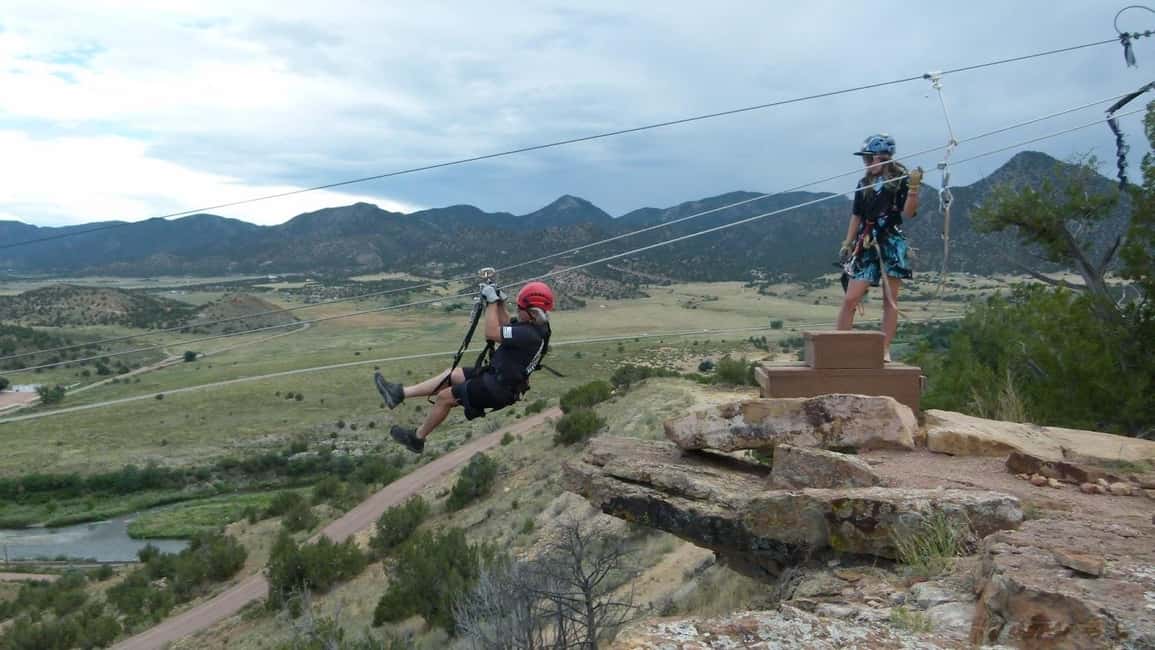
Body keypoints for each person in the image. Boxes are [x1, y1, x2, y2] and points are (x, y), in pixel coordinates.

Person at [374, 281, 555, 453]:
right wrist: (500, 302)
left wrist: (492, 302)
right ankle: (398, 394)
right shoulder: (537, 327)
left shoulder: (529, 334)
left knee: (445, 397)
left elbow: (492, 332)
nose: (518, 310)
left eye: (521, 308)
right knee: (452, 375)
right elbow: (508, 326)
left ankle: (417, 438)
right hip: (497, 378)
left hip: (496, 389)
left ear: (533, 313)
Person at [836, 134, 923, 362]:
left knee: (890, 300)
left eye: (869, 159)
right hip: (866, 242)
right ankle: (839, 347)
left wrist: (913, 189)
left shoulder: (900, 180)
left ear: (882, 158)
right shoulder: (863, 184)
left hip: (890, 242)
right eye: (865, 159)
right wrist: (848, 242)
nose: (866, 163)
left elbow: (908, 213)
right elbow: (857, 215)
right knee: (850, 298)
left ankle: (883, 349)